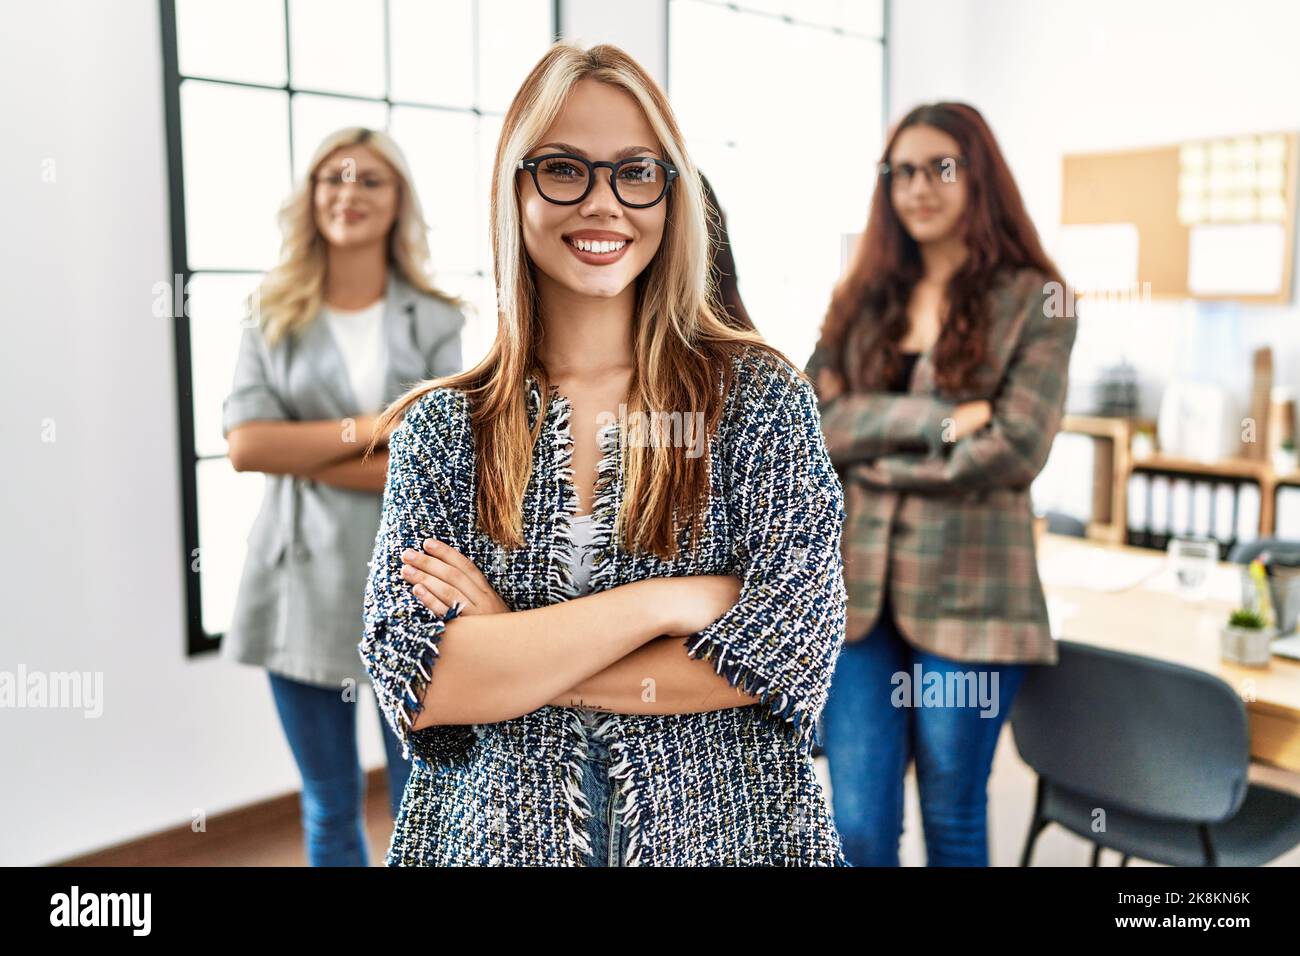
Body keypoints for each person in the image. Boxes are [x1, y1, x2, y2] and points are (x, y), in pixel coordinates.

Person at [358, 42, 848, 866]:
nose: (603, 203)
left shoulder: (759, 400)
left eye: (635, 172)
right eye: (563, 170)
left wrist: (514, 649)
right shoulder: (442, 429)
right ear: (516, 188)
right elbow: (426, 683)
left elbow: (790, 649)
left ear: (669, 193)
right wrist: (665, 605)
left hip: (731, 841)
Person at [805, 101, 1077, 866]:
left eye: (940, 169)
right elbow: (811, 423)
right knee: (859, 827)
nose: (918, 188)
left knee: (953, 814)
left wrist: (868, 456)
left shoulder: (1036, 298)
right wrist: (939, 420)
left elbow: (1016, 447)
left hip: (974, 600)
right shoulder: (861, 297)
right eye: (902, 173)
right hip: (857, 601)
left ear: (978, 175)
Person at [221, 127, 466, 866]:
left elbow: (439, 465)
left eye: (369, 181)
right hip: (297, 588)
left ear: (398, 204)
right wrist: (372, 429)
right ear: (311, 196)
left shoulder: (438, 317)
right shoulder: (269, 311)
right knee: (329, 807)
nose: (348, 193)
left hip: (412, 587)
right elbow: (245, 446)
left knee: (421, 801)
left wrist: (301, 449)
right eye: (333, 178)